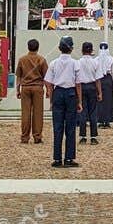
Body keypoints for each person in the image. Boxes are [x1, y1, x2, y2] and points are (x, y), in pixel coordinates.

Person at [43, 37, 81, 169]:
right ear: (71, 48)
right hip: (71, 94)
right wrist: (79, 101)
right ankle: (69, 158)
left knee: (57, 127)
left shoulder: (54, 63)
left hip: (58, 93)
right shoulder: (75, 63)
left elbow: (48, 82)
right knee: (70, 127)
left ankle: (57, 159)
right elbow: (78, 84)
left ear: (59, 48)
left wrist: (51, 98)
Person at [15, 39, 48, 145]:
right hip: (38, 88)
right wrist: (48, 90)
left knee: (25, 113)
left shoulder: (22, 60)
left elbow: (18, 76)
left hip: (25, 88)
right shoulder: (41, 60)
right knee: (38, 113)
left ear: (28, 47)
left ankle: (24, 137)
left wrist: (17, 89)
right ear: (37, 47)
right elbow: (46, 77)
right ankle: (37, 137)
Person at [76, 41, 103, 144]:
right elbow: (97, 80)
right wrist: (100, 92)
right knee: (93, 112)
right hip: (92, 87)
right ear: (91, 50)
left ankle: (82, 136)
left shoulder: (78, 62)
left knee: (82, 111)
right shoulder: (95, 62)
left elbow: (76, 79)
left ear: (82, 50)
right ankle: (93, 137)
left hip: (81, 87)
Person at [96, 43, 113, 127]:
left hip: (99, 79)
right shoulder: (111, 59)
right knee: (108, 100)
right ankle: (107, 120)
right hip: (108, 80)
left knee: (100, 100)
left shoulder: (96, 59)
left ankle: (100, 120)